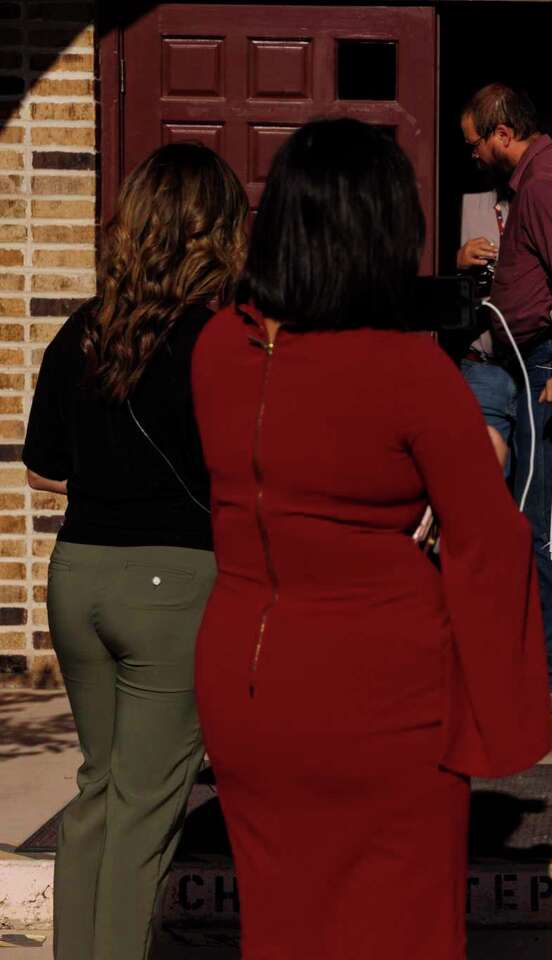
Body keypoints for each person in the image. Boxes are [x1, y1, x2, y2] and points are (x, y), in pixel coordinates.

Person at [190, 118, 551, 959]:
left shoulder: (217, 346)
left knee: (283, 925)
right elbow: (490, 542)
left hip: (246, 680)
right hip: (383, 692)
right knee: (401, 928)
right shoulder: (408, 370)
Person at [22, 142, 247, 960]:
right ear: (214, 233)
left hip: (78, 573)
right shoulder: (219, 342)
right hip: (172, 584)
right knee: (147, 809)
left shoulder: (82, 330)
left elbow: (43, 470)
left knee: (100, 789)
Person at [457, 83, 552, 713]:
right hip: (521, 358)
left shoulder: (545, 182)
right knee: (527, 510)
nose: (473, 154)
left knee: (543, 514)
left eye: (475, 142)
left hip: (545, 360)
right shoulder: (532, 181)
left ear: (502, 134)